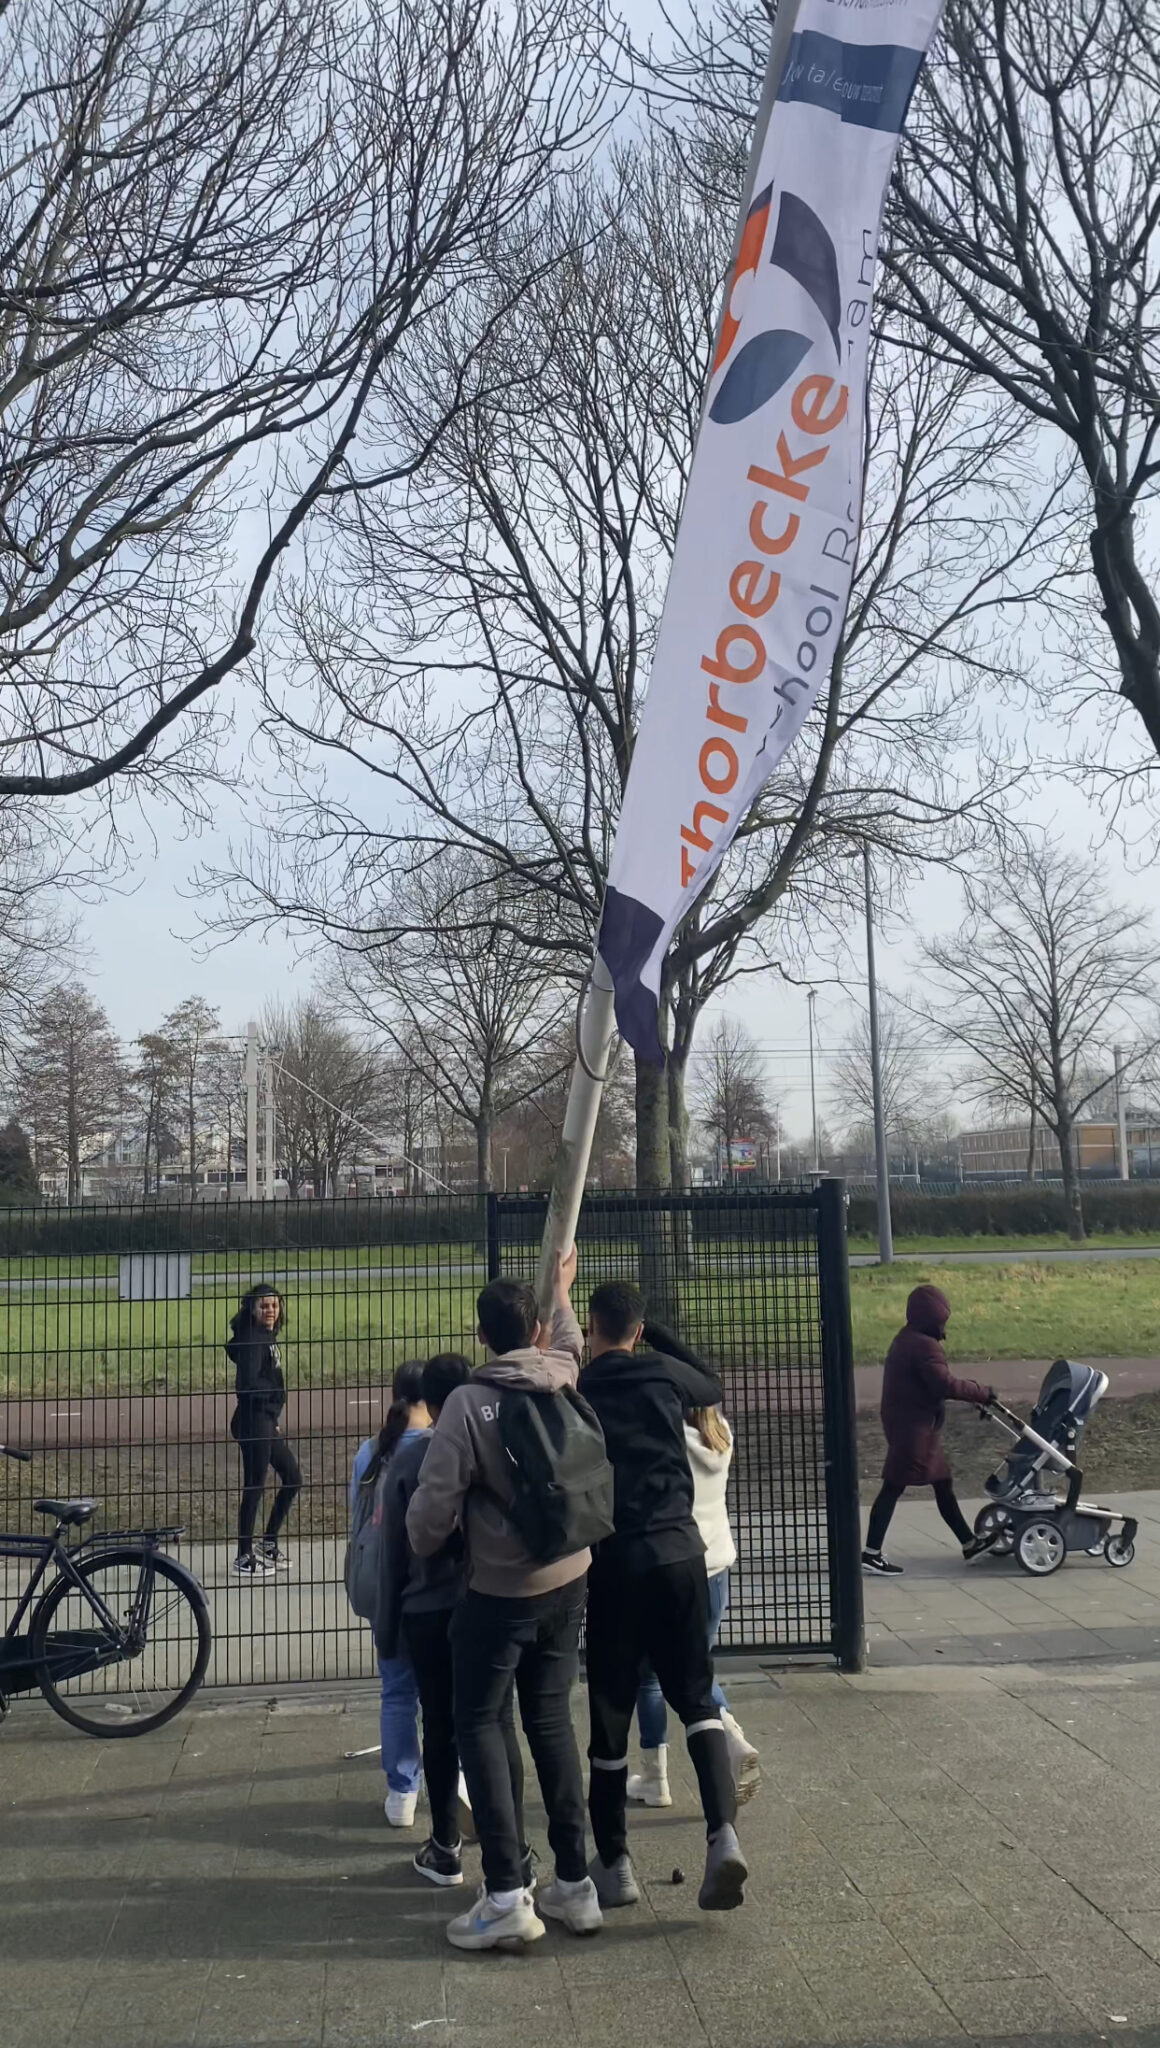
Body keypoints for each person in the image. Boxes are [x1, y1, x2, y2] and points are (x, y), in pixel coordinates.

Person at [407, 1246, 602, 1952]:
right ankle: (576, 1885)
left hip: (500, 1591)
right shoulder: (562, 1373)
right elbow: (574, 1340)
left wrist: (426, 1545)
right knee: (550, 1720)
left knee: (481, 1723)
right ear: (539, 1333)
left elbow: (431, 1511)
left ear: (481, 1336)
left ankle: (505, 1895)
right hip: (571, 1573)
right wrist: (562, 1290)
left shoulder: (468, 1403)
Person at [579, 1284, 748, 1914]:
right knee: (697, 1702)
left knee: (609, 1715)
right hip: (682, 1554)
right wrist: (657, 1338)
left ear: (594, 1328)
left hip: (616, 1560)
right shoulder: (665, 1380)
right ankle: (721, 1836)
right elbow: (710, 1383)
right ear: (640, 1329)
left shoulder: (585, 1386)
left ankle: (616, 1864)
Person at [377, 1349, 522, 1889]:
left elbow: (395, 1550)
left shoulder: (411, 1461)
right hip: (487, 1598)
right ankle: (514, 1846)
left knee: (438, 1725)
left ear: (430, 1404)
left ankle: (445, 1844)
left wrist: (388, 1623)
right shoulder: (502, 1446)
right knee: (496, 1721)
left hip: (425, 1609)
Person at [628, 1387, 760, 1810]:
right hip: (717, 1565)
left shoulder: (666, 1442)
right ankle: (733, 1736)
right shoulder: (721, 1434)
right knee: (697, 1668)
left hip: (674, 1563)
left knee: (650, 1675)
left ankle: (656, 1777)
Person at [862, 1283, 998, 1576]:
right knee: (894, 1485)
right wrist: (981, 1392)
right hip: (914, 1428)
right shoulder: (924, 1345)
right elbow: (944, 1384)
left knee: (942, 1482)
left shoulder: (907, 1338)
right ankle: (871, 1553)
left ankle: (969, 1542)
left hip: (909, 1423)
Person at [350, 1361, 427, 1825]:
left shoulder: (371, 1451)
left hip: (384, 1587)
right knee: (445, 1694)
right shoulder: (441, 1448)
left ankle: (402, 1794)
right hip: (433, 1589)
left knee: (397, 1691)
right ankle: (454, 1780)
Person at [227, 1282, 301, 1577]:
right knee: (255, 1485)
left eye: (274, 1305)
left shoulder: (267, 1336)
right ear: (252, 1309)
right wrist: (270, 1402)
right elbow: (247, 1386)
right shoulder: (251, 1341)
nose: (270, 1310)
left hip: (265, 1420)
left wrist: (274, 1415)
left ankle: (267, 1542)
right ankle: (243, 1557)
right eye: (264, 1306)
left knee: (293, 1477)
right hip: (253, 1421)